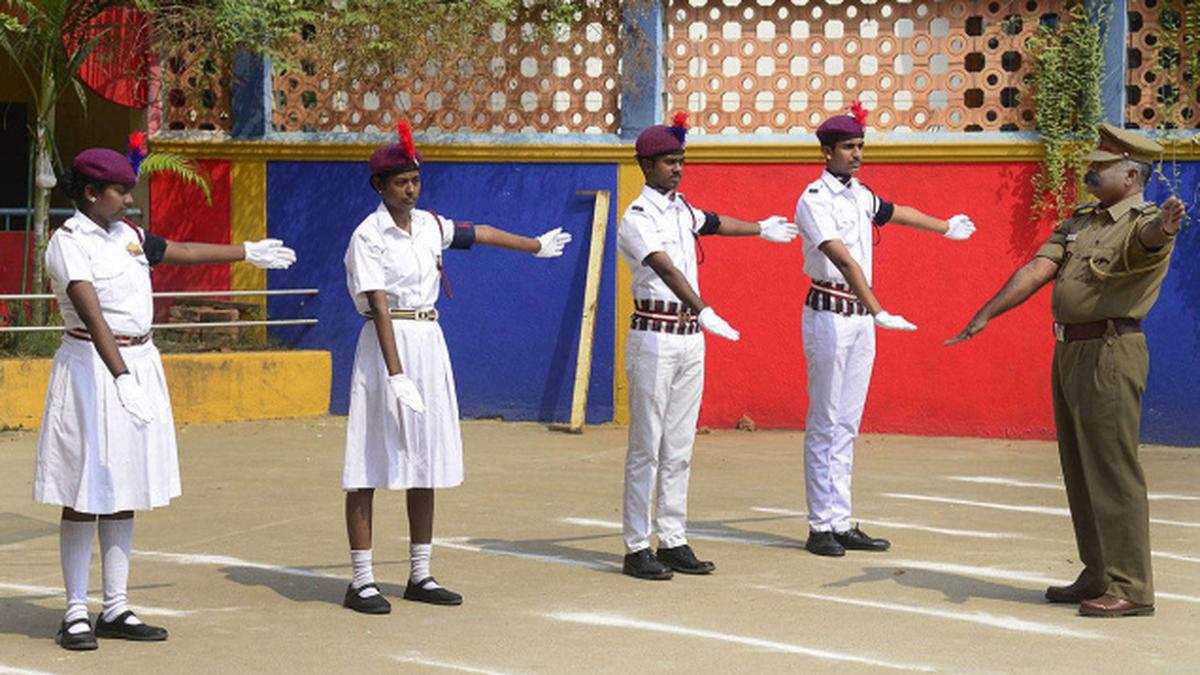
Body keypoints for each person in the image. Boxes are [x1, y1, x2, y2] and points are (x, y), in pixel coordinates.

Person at [36, 141, 296, 650]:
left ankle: (115, 606)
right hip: (92, 368)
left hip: (138, 360)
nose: (130, 199)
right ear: (91, 193)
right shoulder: (69, 242)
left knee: (123, 484)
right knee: (84, 489)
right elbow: (92, 314)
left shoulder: (129, 236)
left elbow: (184, 251)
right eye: (120, 191)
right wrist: (121, 377)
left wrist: (247, 251)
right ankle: (75, 612)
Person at [947, 124, 1184, 617]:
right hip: (1071, 350)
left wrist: (1163, 230)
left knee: (1112, 467)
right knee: (1079, 466)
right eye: (1091, 163)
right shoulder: (1081, 221)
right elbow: (1037, 269)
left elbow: (1147, 244)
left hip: (1111, 350)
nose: (1090, 171)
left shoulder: (1142, 221)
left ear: (1132, 174)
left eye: (1101, 166)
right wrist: (987, 313)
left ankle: (1132, 586)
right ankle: (1098, 572)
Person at [341, 122, 573, 612]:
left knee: (424, 460)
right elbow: (379, 305)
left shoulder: (429, 225)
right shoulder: (368, 236)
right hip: (387, 344)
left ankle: (420, 574)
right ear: (379, 186)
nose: (410, 189)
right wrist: (396, 374)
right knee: (368, 461)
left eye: (415, 180)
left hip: (428, 340)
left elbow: (479, 232)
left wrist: (534, 245)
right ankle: (361, 580)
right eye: (400, 182)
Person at [617, 112, 799, 580]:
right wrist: (703, 308)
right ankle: (636, 546)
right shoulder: (637, 218)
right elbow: (665, 268)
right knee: (646, 447)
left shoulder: (682, 209)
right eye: (668, 161)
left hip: (689, 339)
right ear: (646, 165)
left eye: (680, 160)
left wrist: (759, 228)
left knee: (679, 445)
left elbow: (715, 223)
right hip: (655, 336)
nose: (677, 168)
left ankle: (672, 538)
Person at [796, 103, 976, 557]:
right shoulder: (813, 199)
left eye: (860, 146)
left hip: (860, 319)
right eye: (848, 147)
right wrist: (877, 309)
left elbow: (897, 212)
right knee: (825, 421)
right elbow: (843, 260)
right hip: (831, 313)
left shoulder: (860, 194)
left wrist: (945, 227)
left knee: (848, 422)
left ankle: (840, 520)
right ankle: (819, 526)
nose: (857, 154)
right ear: (827, 152)